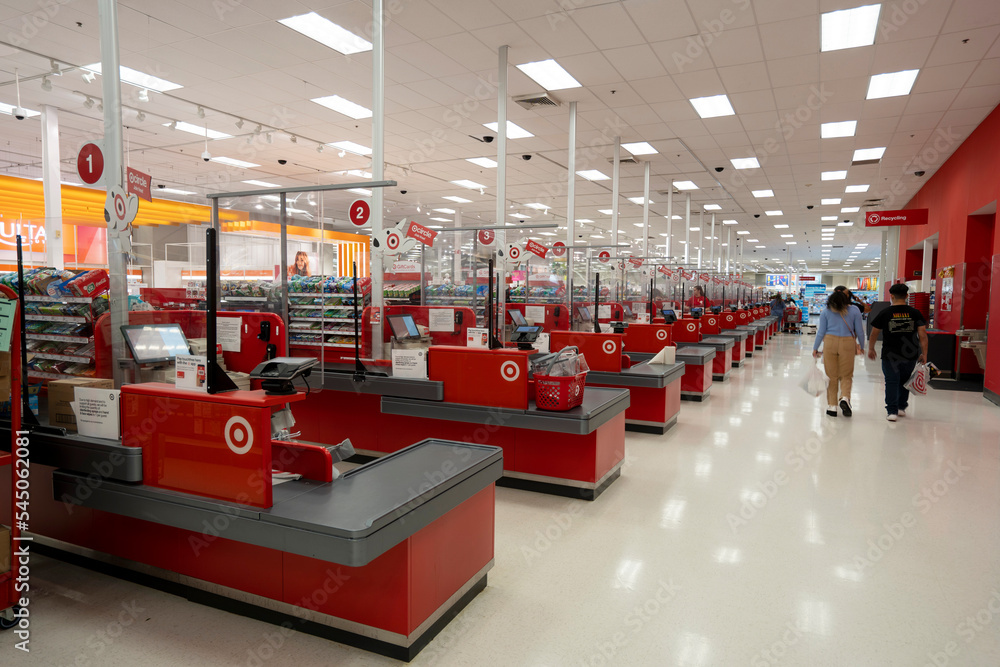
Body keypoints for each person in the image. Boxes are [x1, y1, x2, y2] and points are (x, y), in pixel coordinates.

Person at [867, 283, 929, 421]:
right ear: (907, 296)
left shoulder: (885, 313)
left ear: (892, 296)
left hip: (890, 354)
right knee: (905, 381)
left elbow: (874, 333)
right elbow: (923, 335)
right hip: (910, 354)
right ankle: (901, 407)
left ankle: (892, 411)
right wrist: (924, 354)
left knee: (891, 381)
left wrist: (871, 348)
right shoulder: (915, 313)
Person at [813, 290, 865, 417]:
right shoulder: (854, 311)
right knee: (846, 374)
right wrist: (862, 346)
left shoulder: (826, 312)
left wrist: (815, 347)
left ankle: (832, 406)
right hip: (848, 342)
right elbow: (860, 330)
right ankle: (845, 398)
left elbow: (821, 332)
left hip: (830, 341)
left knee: (831, 375)